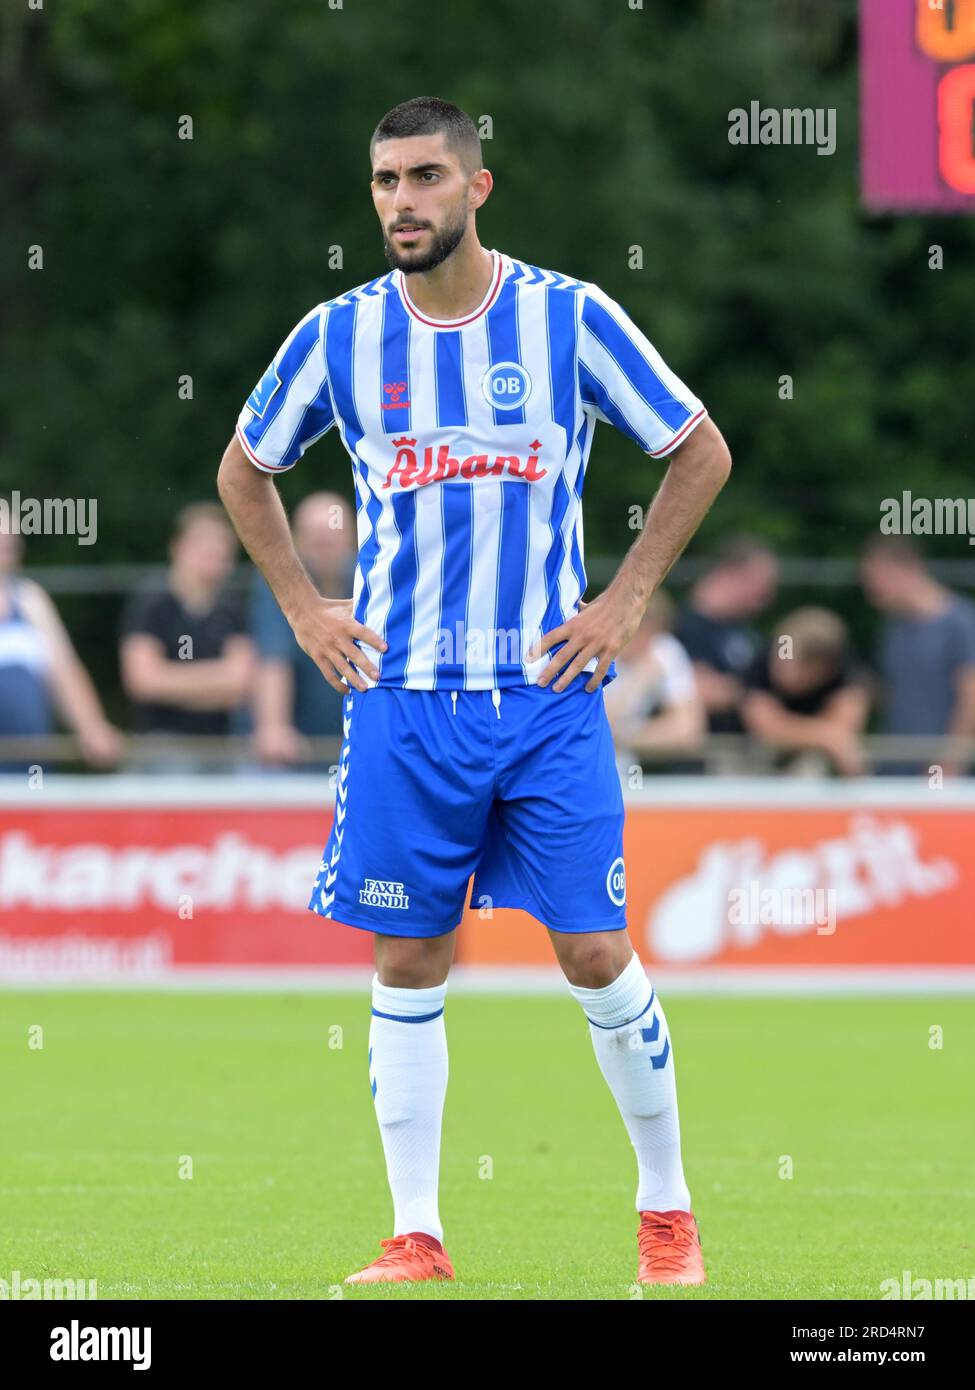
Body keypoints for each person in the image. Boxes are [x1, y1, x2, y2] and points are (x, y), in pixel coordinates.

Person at [217, 97, 732, 1287]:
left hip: (546, 697)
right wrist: (304, 607)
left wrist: (624, 601)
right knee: (408, 957)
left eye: (427, 176)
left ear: (477, 189)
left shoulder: (568, 318)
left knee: (595, 950)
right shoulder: (339, 336)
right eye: (386, 181)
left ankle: (668, 1210)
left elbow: (697, 446)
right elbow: (247, 467)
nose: (402, 201)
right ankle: (418, 1233)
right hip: (402, 701)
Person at [119, 503, 254, 771]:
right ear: (177, 547)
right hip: (162, 744)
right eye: (205, 551)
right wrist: (219, 680)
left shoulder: (231, 608)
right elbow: (143, 681)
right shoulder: (151, 602)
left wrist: (172, 680)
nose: (213, 562)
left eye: (221, 554)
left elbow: (242, 683)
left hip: (222, 745)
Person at [0, 523, 122, 772]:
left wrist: (92, 727)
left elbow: (64, 671)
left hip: (28, 768)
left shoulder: (29, 598)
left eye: (9, 538)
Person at [250, 492, 356, 767]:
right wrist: (274, 725)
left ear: (352, 539)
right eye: (314, 538)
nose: (323, 546)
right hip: (296, 748)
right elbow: (274, 659)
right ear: (297, 543)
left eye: (330, 537)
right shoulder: (280, 588)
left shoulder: (374, 583)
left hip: (356, 740)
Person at [861, 536, 975, 776]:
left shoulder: (961, 623)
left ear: (905, 569)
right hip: (894, 763)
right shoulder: (893, 628)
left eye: (876, 579)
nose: (871, 591)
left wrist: (949, 760)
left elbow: (970, 696)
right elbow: (890, 693)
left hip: (938, 768)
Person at [741, 607, 871, 776]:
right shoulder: (773, 652)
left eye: (795, 664)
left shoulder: (844, 669)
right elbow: (767, 729)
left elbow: (846, 725)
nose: (780, 668)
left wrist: (796, 732)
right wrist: (829, 737)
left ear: (823, 669)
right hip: (754, 762)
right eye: (780, 656)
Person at [675, 536, 779, 736]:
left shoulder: (742, 629)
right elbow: (693, 690)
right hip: (708, 754)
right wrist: (755, 692)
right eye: (762, 583)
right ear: (730, 573)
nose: (767, 596)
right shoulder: (685, 627)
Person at [604, 589, 704, 773]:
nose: (649, 644)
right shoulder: (594, 649)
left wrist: (627, 738)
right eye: (643, 633)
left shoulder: (662, 649)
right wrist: (637, 681)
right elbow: (596, 726)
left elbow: (688, 730)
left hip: (624, 767)